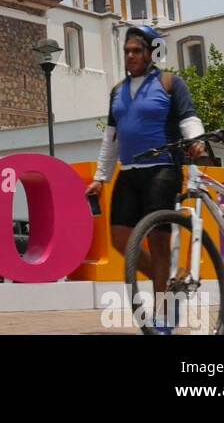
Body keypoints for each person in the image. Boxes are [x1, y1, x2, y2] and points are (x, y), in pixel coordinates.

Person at [86, 26, 205, 334]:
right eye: (127, 51)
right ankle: (167, 284)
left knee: (159, 241)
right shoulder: (117, 91)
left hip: (162, 169)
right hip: (128, 172)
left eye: (136, 51)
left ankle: (164, 314)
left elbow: (188, 117)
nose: (130, 56)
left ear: (153, 53)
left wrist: (196, 140)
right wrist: (101, 177)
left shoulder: (169, 83)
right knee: (119, 239)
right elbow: (111, 138)